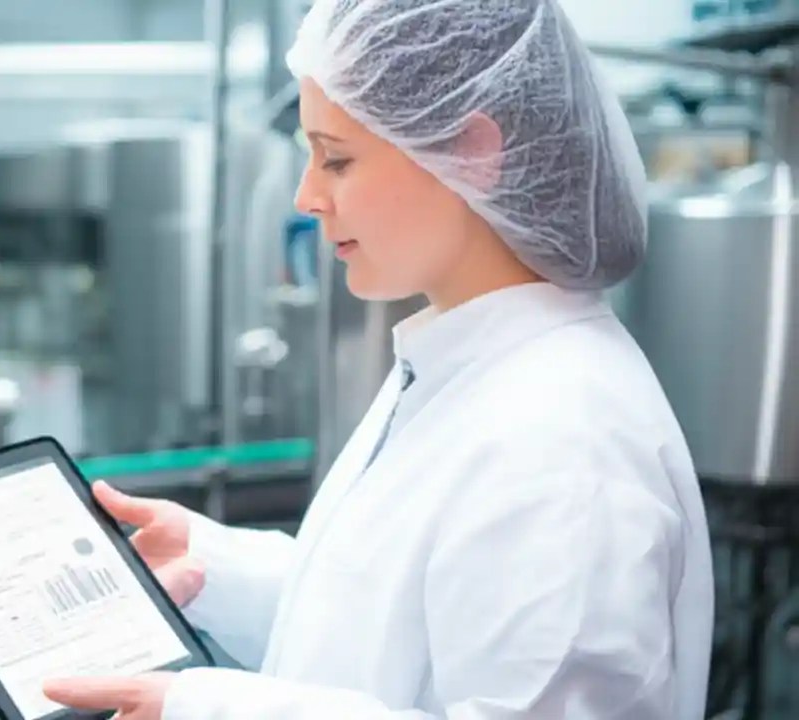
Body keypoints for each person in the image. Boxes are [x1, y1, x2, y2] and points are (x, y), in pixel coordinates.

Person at [43, 0, 715, 718]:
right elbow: (403, 624)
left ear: (472, 152)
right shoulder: (467, 369)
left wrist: (211, 709)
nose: (307, 196)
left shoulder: (561, 443)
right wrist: (210, 567)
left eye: (336, 158)